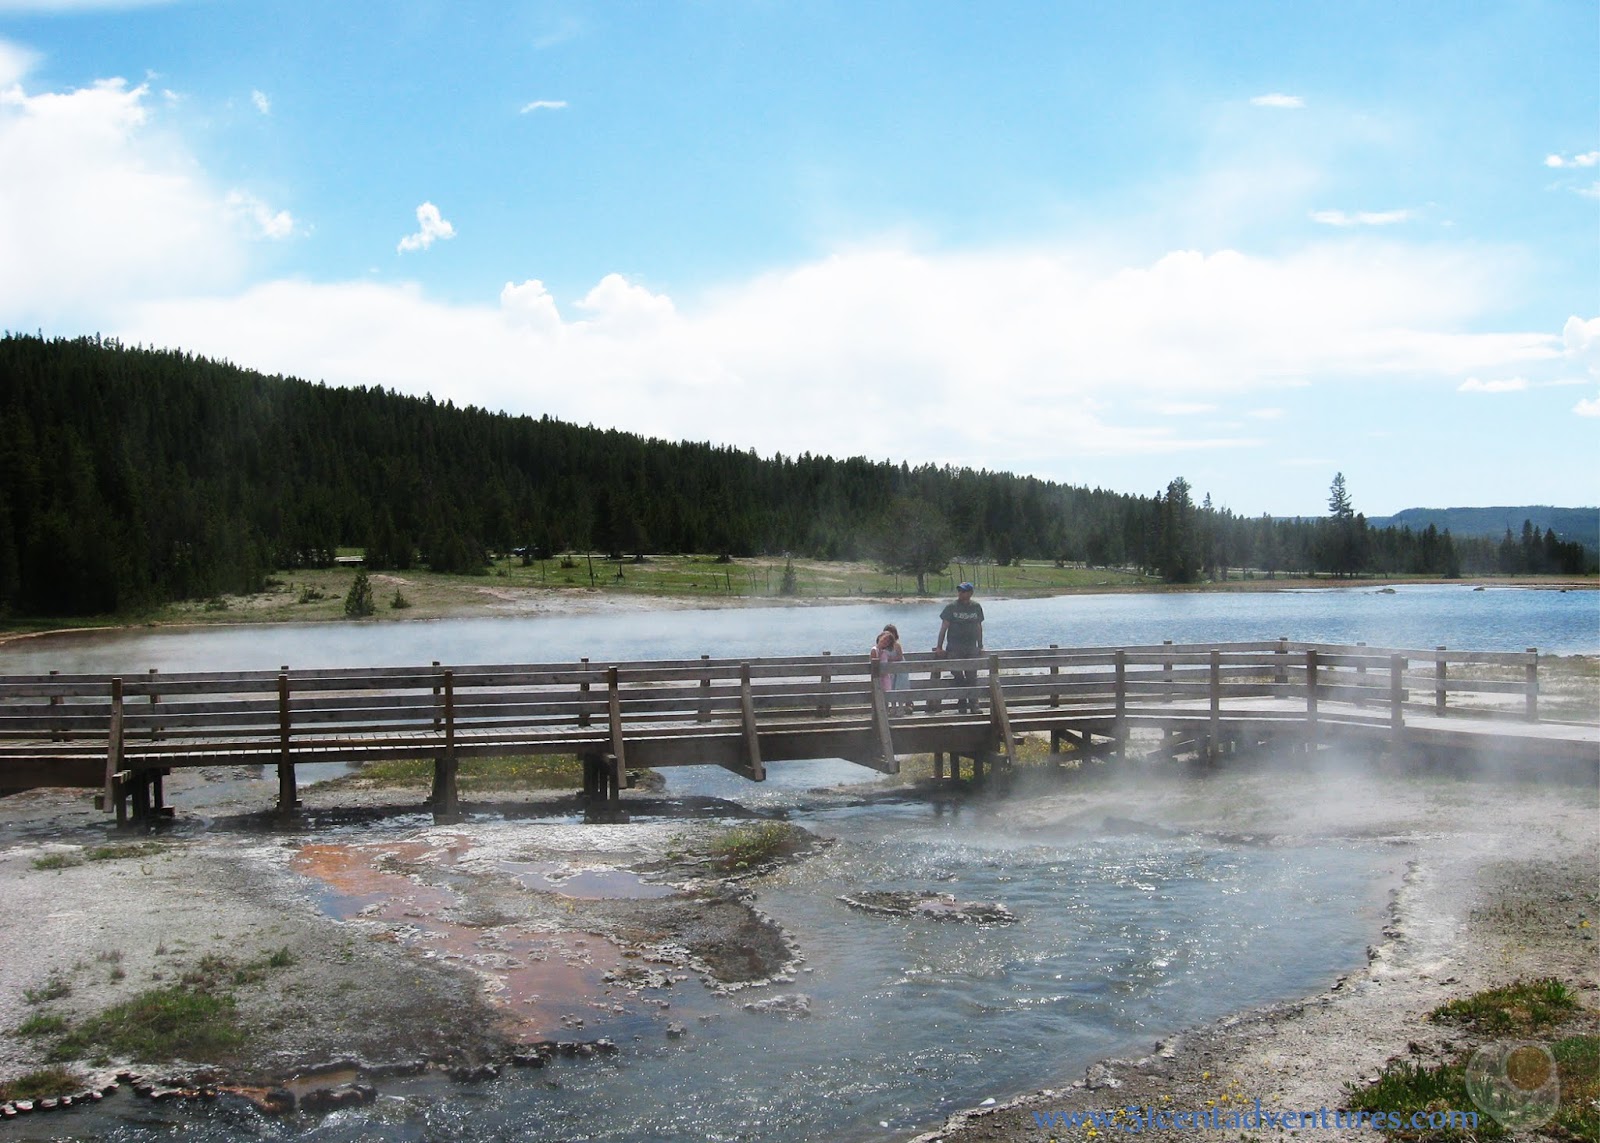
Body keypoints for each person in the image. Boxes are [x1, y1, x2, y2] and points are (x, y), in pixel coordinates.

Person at [934, 582, 984, 713]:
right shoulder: (951, 607)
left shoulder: (976, 607)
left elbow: (979, 627)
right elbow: (944, 627)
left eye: (963, 591)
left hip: (971, 646)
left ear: (970, 593)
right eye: (959, 591)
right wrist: (939, 646)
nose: (960, 593)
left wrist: (981, 645)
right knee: (957, 673)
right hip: (954, 646)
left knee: (972, 676)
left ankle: (974, 705)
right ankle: (962, 700)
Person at [871, 626, 905, 710]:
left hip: (893, 673)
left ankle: (897, 709)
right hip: (882, 676)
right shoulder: (879, 650)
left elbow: (900, 657)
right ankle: (886, 710)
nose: (886, 641)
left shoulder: (894, 647)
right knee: (884, 693)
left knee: (896, 689)